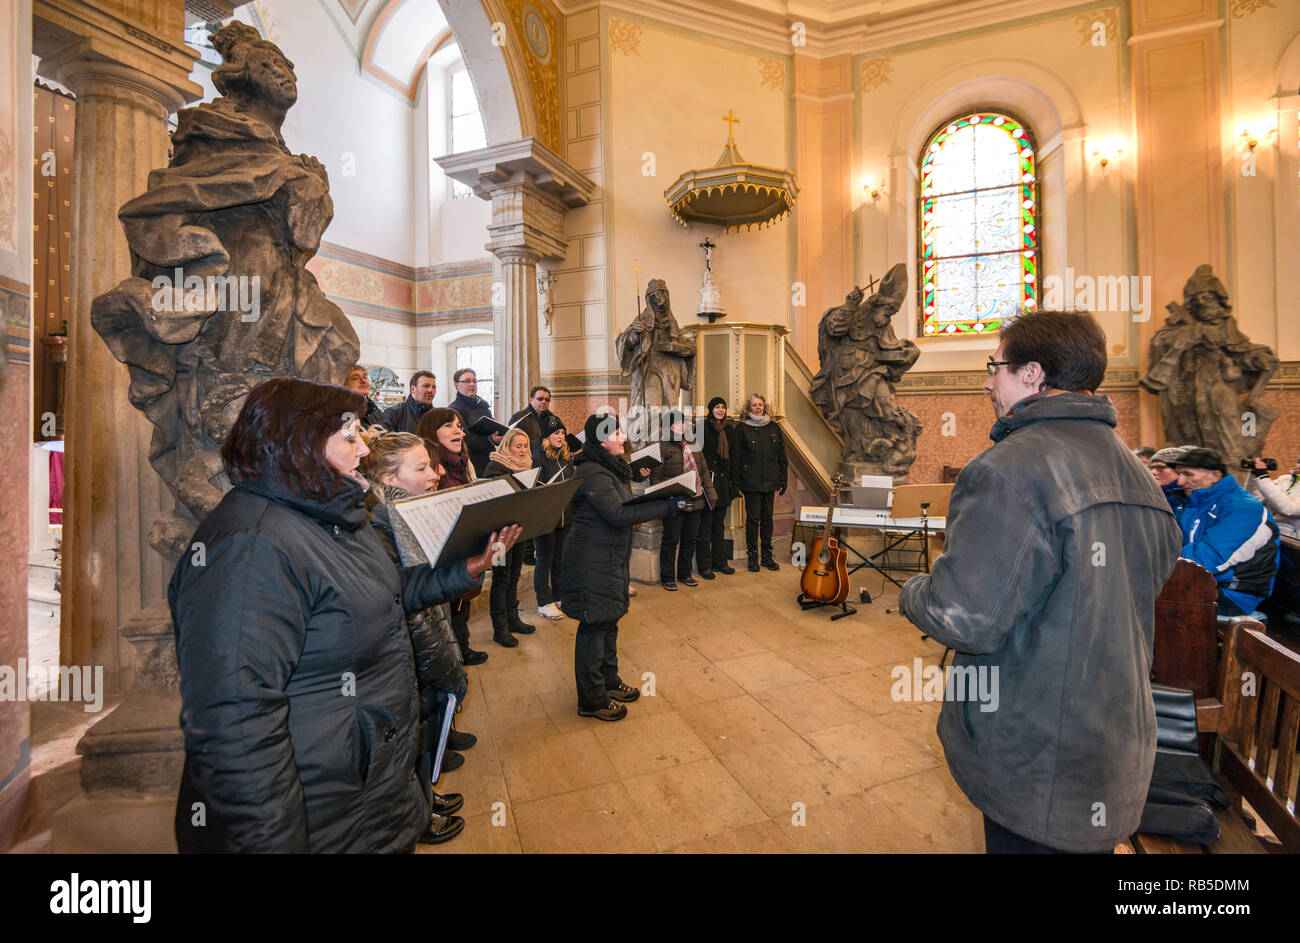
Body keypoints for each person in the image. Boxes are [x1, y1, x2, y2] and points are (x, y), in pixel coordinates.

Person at [170, 377, 517, 853]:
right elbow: (236, 726)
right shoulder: (249, 548)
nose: (363, 451)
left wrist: (466, 569)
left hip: (366, 785)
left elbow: (386, 591)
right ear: (299, 446)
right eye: (351, 438)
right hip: (322, 808)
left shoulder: (331, 517)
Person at [897, 310, 1182, 854]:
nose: (986, 381)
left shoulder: (1007, 468)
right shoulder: (1139, 474)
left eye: (993, 366)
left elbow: (963, 618)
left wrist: (915, 591)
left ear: (1032, 374)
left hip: (1034, 749)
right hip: (1116, 741)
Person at [361, 429, 476, 845]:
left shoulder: (413, 509)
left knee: (424, 726)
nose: (435, 473)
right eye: (423, 467)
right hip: (412, 638)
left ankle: (426, 797)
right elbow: (406, 591)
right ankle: (417, 815)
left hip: (430, 626)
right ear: (389, 478)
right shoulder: (383, 523)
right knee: (413, 731)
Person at [562, 412, 687, 721]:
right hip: (591, 560)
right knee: (594, 625)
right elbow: (617, 514)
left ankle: (608, 681)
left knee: (609, 619)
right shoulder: (590, 472)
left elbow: (620, 498)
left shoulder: (608, 468)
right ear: (603, 440)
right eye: (617, 433)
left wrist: (637, 475)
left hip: (609, 556)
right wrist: (665, 506)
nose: (622, 437)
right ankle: (591, 700)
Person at [1172, 447, 1280, 616]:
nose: (1180, 481)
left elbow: (1210, 558)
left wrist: (1157, 567)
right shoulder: (1196, 502)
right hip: (1202, 582)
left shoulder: (1243, 508)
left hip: (1235, 595)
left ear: (1214, 476)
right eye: (1179, 474)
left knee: (1148, 605)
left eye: (1188, 474)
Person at [417, 408, 487, 663]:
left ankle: (462, 648)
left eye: (459, 425)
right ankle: (453, 656)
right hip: (441, 552)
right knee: (446, 611)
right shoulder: (430, 470)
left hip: (464, 545)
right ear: (431, 433)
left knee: (462, 607)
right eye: (449, 426)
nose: (459, 430)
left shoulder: (462, 463)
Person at [482, 428, 537, 646]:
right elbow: (490, 501)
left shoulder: (528, 467)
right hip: (497, 533)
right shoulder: (494, 466)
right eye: (518, 446)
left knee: (514, 574)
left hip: (518, 528)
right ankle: (500, 627)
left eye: (525, 446)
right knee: (500, 578)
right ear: (507, 446)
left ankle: (513, 619)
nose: (523, 450)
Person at [652, 410, 717, 590]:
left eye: (683, 423)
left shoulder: (693, 443)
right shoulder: (662, 446)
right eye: (678, 423)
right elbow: (656, 477)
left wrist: (711, 495)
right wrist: (663, 499)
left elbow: (703, 472)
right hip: (674, 500)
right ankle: (667, 577)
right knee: (671, 540)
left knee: (690, 539)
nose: (682, 426)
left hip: (695, 498)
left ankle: (685, 573)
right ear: (668, 426)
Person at [732, 393, 787, 572]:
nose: (758, 407)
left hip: (770, 481)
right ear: (749, 409)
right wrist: (737, 481)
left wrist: (783, 478)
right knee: (753, 520)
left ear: (765, 406)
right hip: (751, 482)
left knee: (767, 520)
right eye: (754, 405)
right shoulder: (741, 429)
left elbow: (781, 456)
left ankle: (767, 556)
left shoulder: (774, 427)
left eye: (760, 404)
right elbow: (736, 458)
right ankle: (753, 556)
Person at [534, 414, 574, 620]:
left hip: (565, 516)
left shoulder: (566, 457)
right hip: (545, 517)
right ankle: (543, 601)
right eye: (556, 432)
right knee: (545, 560)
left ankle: (558, 596)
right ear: (546, 436)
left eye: (563, 433)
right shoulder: (538, 458)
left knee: (560, 559)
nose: (561, 436)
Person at [700, 396, 737, 575]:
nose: (720, 410)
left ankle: (720, 562)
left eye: (723, 407)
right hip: (708, 482)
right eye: (717, 407)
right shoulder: (702, 427)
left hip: (723, 483)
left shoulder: (729, 429)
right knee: (706, 525)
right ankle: (705, 565)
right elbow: (696, 455)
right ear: (711, 409)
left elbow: (734, 456)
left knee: (719, 525)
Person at [451, 368, 501, 476]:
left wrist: (498, 436)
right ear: (456, 385)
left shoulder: (483, 405)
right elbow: (463, 438)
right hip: (469, 462)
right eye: (467, 381)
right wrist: (490, 439)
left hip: (488, 459)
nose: (472, 384)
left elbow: (492, 429)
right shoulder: (454, 410)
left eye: (474, 381)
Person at [1247, 452, 1300, 532]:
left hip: (1291, 539)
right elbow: (1256, 499)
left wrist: (1263, 477)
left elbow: (1288, 509)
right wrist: (1254, 476)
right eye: (1299, 462)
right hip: (1267, 529)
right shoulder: (1284, 479)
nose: (1299, 466)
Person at [1148, 445, 1193, 519]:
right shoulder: (1154, 494)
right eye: (1152, 467)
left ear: (1179, 470)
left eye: (1160, 468)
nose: (1153, 472)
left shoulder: (1186, 498)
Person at [508, 386, 553, 452]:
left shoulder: (552, 419)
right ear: (531, 400)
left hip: (548, 458)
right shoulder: (519, 417)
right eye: (540, 399)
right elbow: (512, 442)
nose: (544, 402)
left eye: (547, 400)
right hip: (527, 458)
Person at [344, 365, 387, 429]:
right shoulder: (342, 412)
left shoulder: (374, 409)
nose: (363, 381)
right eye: (355, 378)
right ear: (344, 384)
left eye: (365, 377)